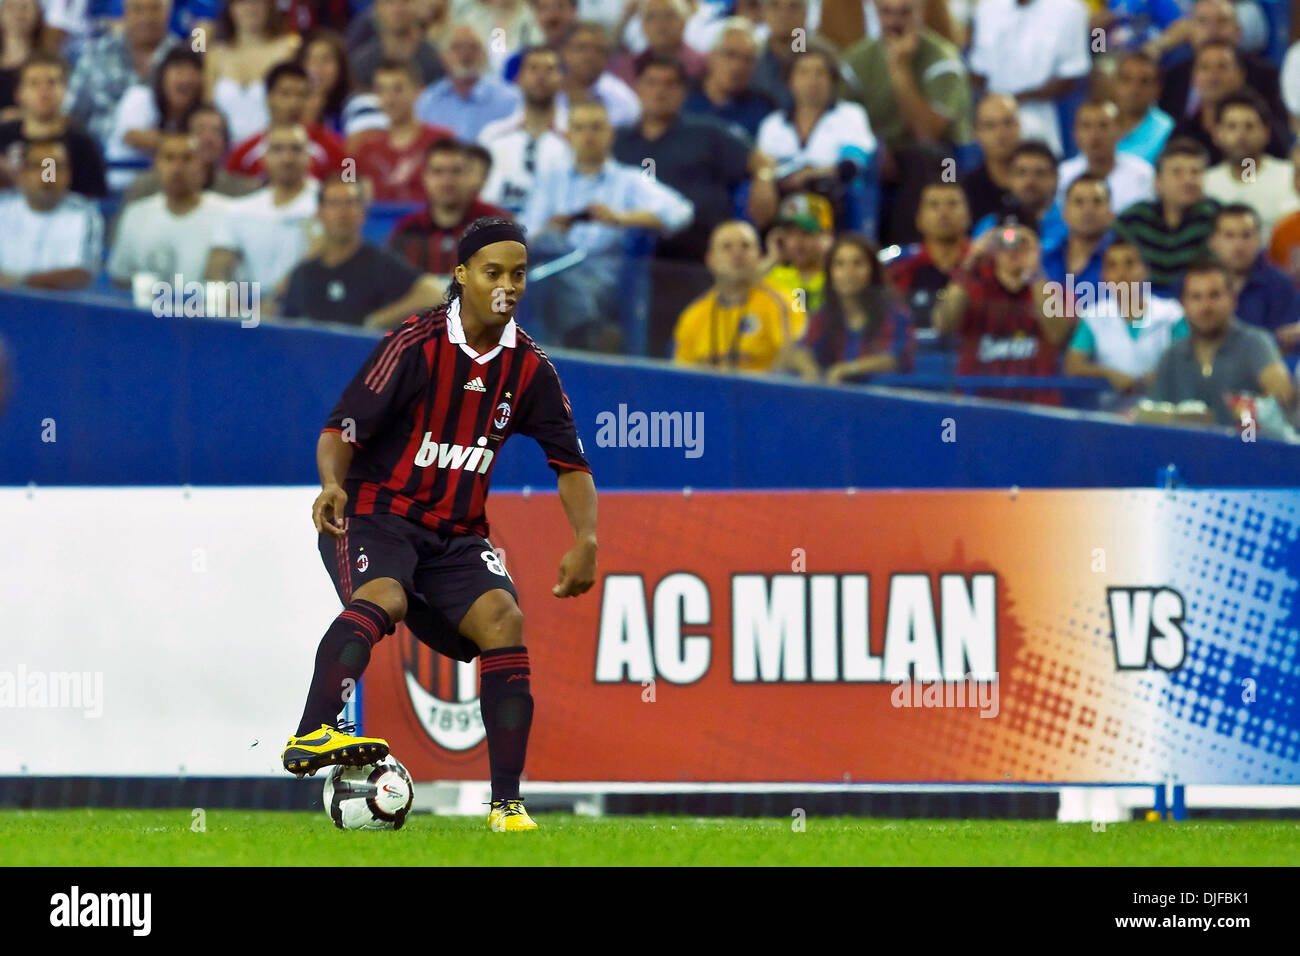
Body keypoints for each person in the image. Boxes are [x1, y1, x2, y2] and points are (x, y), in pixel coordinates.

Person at [280, 215, 598, 834]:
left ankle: (506, 805)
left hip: (453, 534)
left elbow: (571, 464)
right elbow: (341, 427)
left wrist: (585, 539)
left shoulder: (530, 368)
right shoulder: (416, 342)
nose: (507, 285)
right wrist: (331, 485)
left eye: (518, 273)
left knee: (504, 620)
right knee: (386, 596)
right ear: (461, 276)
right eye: (493, 271)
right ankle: (314, 730)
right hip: (375, 512)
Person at [614, 54, 777, 354]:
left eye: (670, 84)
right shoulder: (621, 141)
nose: (660, 91)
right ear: (637, 88)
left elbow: (760, 160)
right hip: (634, 256)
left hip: (700, 254)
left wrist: (764, 179)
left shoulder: (707, 133)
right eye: (651, 83)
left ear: (683, 92)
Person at [521, 98, 694, 350]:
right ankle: (586, 333)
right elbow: (526, 235)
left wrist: (619, 219)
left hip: (605, 278)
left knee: (544, 285)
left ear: (611, 134)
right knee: (546, 262)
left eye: (596, 127)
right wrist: (552, 229)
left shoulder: (629, 180)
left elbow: (681, 212)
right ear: (568, 135)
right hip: (553, 268)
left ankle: (559, 351)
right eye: (580, 128)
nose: (588, 135)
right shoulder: (550, 180)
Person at [841, 0, 971, 243]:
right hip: (876, 152)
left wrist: (900, 68)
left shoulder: (943, 59)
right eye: (886, 12)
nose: (894, 22)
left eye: (904, 12)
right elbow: (843, 120)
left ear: (921, 11)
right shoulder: (856, 59)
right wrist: (877, 147)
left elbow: (927, 133)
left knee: (923, 159)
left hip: (938, 160)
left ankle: (907, 251)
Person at [931, 219, 1072, 405]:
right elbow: (943, 325)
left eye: (1022, 244)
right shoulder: (971, 291)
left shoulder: (1055, 291)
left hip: (1038, 406)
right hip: (978, 405)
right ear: (993, 249)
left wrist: (1035, 272)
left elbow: (1057, 336)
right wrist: (969, 263)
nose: (1012, 250)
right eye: (1003, 245)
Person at [1149, 258, 1296, 426]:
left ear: (1233, 300)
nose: (1205, 306)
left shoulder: (1256, 344)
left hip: (1244, 448)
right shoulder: (1171, 356)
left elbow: (1283, 399)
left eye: (1214, 295)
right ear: (1184, 304)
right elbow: (1153, 416)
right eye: (1196, 297)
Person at [281, 176, 444, 327]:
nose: (342, 213)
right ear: (320, 214)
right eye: (334, 204)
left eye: (350, 203)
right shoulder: (305, 273)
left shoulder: (380, 262)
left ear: (363, 213)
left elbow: (435, 293)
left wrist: (377, 320)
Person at [755, 39, 874, 221]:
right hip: (782, 200)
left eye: (820, 73)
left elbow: (852, 165)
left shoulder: (850, 115)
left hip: (833, 201)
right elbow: (764, 165)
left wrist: (811, 174)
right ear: (790, 80)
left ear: (832, 79)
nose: (812, 81)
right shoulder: (772, 124)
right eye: (803, 73)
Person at [1063, 238, 1186, 409]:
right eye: (1112, 266)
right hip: (1110, 417)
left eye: (1129, 264)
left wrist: (1161, 375)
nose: (1121, 273)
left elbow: (1189, 360)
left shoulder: (1172, 313)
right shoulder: (1093, 316)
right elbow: (1073, 366)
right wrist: (1109, 374)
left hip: (1164, 414)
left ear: (1145, 270)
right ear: (1103, 276)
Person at [205, 123, 320, 299]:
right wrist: (224, 294)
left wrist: (274, 301)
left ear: (309, 157)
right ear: (264, 159)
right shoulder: (240, 209)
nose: (287, 158)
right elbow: (217, 266)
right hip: (245, 310)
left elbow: (317, 262)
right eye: (277, 149)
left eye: (296, 149)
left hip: (302, 306)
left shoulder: (325, 208)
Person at [967, 0, 1091, 157]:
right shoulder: (986, 7)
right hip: (993, 109)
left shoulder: (1071, 9)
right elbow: (978, 70)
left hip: (1046, 111)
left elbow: (1070, 76)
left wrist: (1012, 101)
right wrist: (996, 105)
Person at [785, 233, 915, 384]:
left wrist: (848, 369)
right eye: (839, 264)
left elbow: (894, 358)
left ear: (873, 270)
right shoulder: (824, 315)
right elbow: (800, 350)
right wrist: (808, 369)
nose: (848, 272)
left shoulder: (895, 315)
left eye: (857, 263)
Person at [108, 131, 229, 289]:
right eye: (169, 158)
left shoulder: (227, 214)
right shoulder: (136, 214)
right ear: (156, 165)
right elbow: (120, 278)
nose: (177, 168)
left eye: (187, 158)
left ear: (202, 167)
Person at [673, 219, 791, 370]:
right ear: (710, 260)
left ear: (759, 255)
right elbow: (680, 375)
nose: (737, 253)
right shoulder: (693, 315)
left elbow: (795, 360)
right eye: (727, 247)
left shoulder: (784, 302)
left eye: (746, 246)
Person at [389, 140, 511, 282]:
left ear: (469, 177)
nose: (447, 181)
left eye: (456, 171)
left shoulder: (495, 227)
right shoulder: (407, 229)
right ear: (425, 178)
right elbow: (395, 287)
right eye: (438, 172)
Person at [63, 0, 178, 148]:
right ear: (125, 13)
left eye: (155, 9)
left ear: (168, 14)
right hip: (99, 157)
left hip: (164, 159)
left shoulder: (182, 58)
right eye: (138, 9)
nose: (147, 17)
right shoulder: (96, 53)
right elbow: (71, 112)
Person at [1113, 137, 1219, 295]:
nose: (1188, 180)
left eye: (1195, 172)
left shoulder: (1216, 219)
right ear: (1157, 181)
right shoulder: (1133, 219)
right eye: (1177, 172)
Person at [478, 45, 572, 218]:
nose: (540, 76)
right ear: (518, 78)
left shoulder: (577, 134)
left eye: (549, 69)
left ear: (562, 79)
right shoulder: (492, 135)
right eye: (533, 68)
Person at [0, 138, 101, 289]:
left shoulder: (85, 214)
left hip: (61, 308)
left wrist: (20, 281)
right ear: (22, 174)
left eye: (56, 167)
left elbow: (81, 274)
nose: (47, 176)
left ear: (69, 174)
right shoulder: (3, 208)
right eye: (38, 166)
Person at [0, 52, 106, 197]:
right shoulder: (3, 137)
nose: (44, 91)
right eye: (34, 83)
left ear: (65, 90)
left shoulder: (82, 145)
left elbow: (94, 200)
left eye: (52, 82)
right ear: (19, 94)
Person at [349, 59, 453, 203]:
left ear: (418, 91)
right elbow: (346, 191)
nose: (389, 99)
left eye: (398, 89)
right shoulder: (364, 149)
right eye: (381, 90)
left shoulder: (443, 141)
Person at [1203, 91, 1300, 242]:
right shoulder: (1205, 183)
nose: (1240, 135)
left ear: (1267, 133)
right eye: (1231, 126)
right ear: (1217, 134)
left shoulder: (1291, 176)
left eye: (1249, 126)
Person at [104, 46, 206, 191]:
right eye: (179, 70)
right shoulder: (140, 96)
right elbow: (133, 136)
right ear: (162, 77)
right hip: (124, 185)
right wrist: (190, 142)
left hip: (167, 189)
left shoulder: (196, 114)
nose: (187, 78)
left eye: (193, 72)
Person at [224, 62, 347, 179]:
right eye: (285, 94)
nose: (294, 103)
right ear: (269, 98)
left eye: (301, 94)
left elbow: (350, 181)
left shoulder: (330, 147)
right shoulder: (245, 154)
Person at [1207, 204, 1300, 356]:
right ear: (1213, 242)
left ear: (1259, 239)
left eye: (1246, 235)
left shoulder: (1281, 285)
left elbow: (1287, 344)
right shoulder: (1195, 283)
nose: (1238, 245)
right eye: (1229, 236)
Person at [205, 0, 301, 146]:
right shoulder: (215, 55)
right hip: (226, 153)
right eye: (242, 2)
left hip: (273, 149)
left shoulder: (289, 49)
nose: (251, 7)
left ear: (269, 6)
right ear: (231, 8)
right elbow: (207, 110)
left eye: (258, 2)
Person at [122, 104, 260, 201]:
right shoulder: (146, 187)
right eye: (199, 130)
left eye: (216, 131)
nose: (208, 139)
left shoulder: (244, 191)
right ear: (181, 136)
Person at [885, 179, 970, 331]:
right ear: (919, 219)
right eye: (933, 205)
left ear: (968, 216)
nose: (944, 213)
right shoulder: (900, 268)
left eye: (952, 204)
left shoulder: (985, 263)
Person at [414, 23, 522, 141]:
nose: (465, 54)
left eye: (473, 47)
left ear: (485, 55)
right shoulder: (428, 101)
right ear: (443, 56)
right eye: (457, 47)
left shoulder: (509, 99)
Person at [1055, 100, 1155, 215]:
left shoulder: (1143, 174)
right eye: (1086, 126)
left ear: (1120, 130)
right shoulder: (1062, 175)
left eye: (1103, 125)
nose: (1095, 135)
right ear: (1075, 133)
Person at [681, 16, 773, 138]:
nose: (737, 66)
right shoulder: (683, 99)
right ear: (711, 56)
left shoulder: (763, 108)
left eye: (747, 59)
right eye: (730, 55)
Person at [971, 140, 1065, 258]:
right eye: (1021, 173)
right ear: (1010, 178)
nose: (1030, 181)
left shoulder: (1071, 224)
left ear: (1056, 178)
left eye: (1040, 173)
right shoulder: (989, 225)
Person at [555, 20, 640, 129]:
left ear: (608, 58)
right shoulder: (544, 90)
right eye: (581, 48)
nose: (589, 57)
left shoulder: (623, 100)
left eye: (599, 50)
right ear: (564, 52)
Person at [1043, 175, 1113, 301]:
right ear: (1064, 212)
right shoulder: (1044, 258)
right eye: (1079, 202)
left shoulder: (1125, 261)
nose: (1088, 210)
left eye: (1097, 202)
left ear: (1111, 212)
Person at [349, 0, 444, 90]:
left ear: (418, 5)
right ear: (377, 8)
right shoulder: (361, 64)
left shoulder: (437, 60)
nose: (398, 9)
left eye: (405, 1)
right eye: (389, 2)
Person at [610, 0, 705, 87]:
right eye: (651, 16)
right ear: (642, 25)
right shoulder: (626, 68)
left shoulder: (702, 66)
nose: (660, 24)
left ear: (684, 21)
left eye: (669, 16)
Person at [962, 93, 1020, 225]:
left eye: (1008, 123)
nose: (1001, 134)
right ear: (976, 132)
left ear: (1020, 125)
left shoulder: (1042, 178)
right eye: (990, 126)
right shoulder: (966, 190)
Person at [1113, 51, 1174, 165]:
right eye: (1126, 79)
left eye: (1144, 81)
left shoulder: (1167, 130)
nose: (1134, 89)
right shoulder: (1099, 123)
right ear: (1115, 83)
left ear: (1157, 88)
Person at [0, 0, 55, 122]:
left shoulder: (51, 63)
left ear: (37, 14)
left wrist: (21, 115)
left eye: (25, 8)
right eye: (11, 8)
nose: (18, 14)